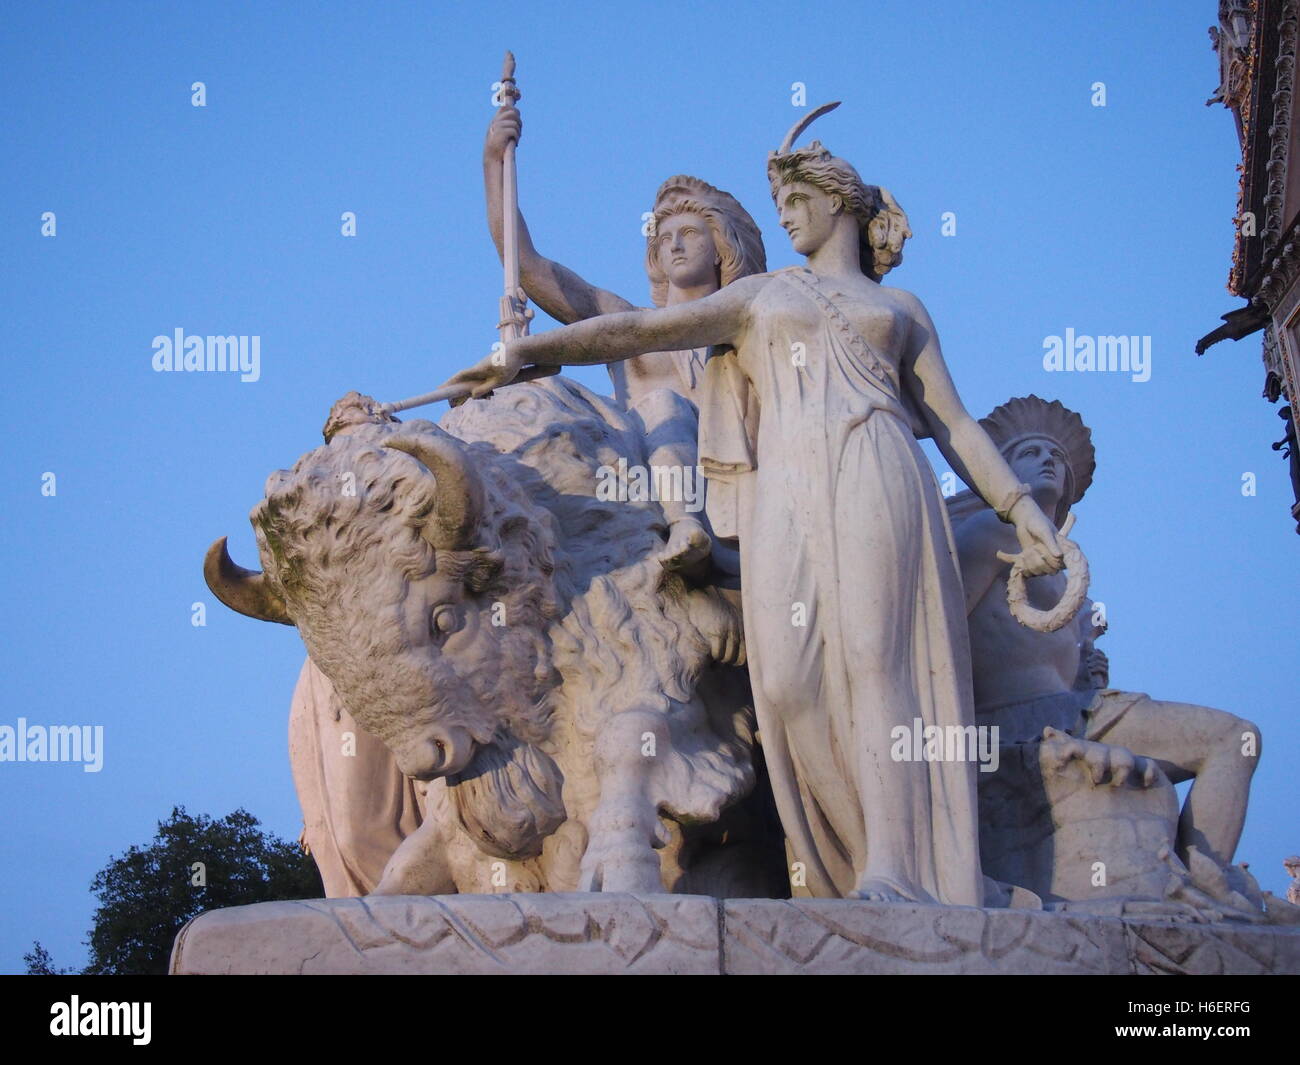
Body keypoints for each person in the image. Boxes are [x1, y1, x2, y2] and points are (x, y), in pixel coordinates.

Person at [446, 130, 1065, 904]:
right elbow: (632, 329)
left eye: (794, 203)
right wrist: (528, 352)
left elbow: (956, 424)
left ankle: (895, 869)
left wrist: (1019, 509)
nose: (787, 217)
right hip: (780, 493)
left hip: (872, 459)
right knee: (792, 684)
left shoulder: (897, 307)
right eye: (778, 205)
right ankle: (844, 858)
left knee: (875, 660)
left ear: (835, 202)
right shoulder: (766, 298)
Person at [952, 395, 1261, 871]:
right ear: (1001, 473)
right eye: (1031, 454)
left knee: (1234, 738)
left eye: (1056, 457)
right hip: (1014, 720)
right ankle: (1203, 881)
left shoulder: (1069, 578)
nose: (1049, 461)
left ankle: (1205, 884)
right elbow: (942, 627)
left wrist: (1086, 674)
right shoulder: (989, 533)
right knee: (1231, 738)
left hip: (1078, 711)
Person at [483, 105, 766, 571]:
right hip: (648, 498)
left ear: (722, 247)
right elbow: (528, 265)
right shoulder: (622, 323)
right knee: (660, 406)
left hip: (746, 497)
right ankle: (684, 524)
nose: (673, 244)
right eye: (664, 236)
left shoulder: (749, 337)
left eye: (690, 233)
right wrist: (494, 165)